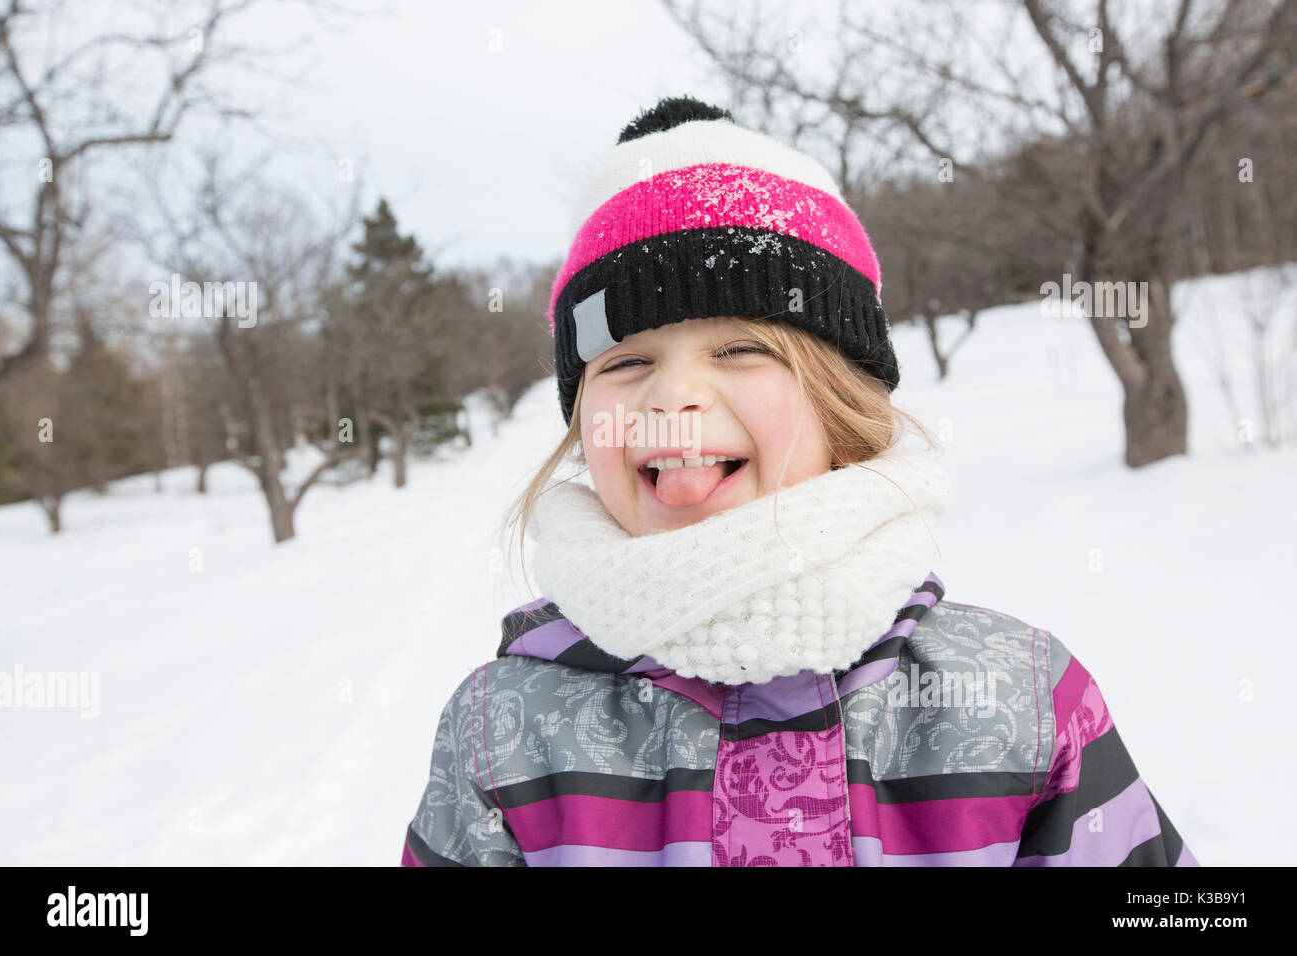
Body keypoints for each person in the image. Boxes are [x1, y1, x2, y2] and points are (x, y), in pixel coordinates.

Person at [400, 95, 1198, 867]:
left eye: (740, 349)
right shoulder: (501, 736)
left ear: (838, 399)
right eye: (628, 361)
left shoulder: (1019, 702)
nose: (673, 396)